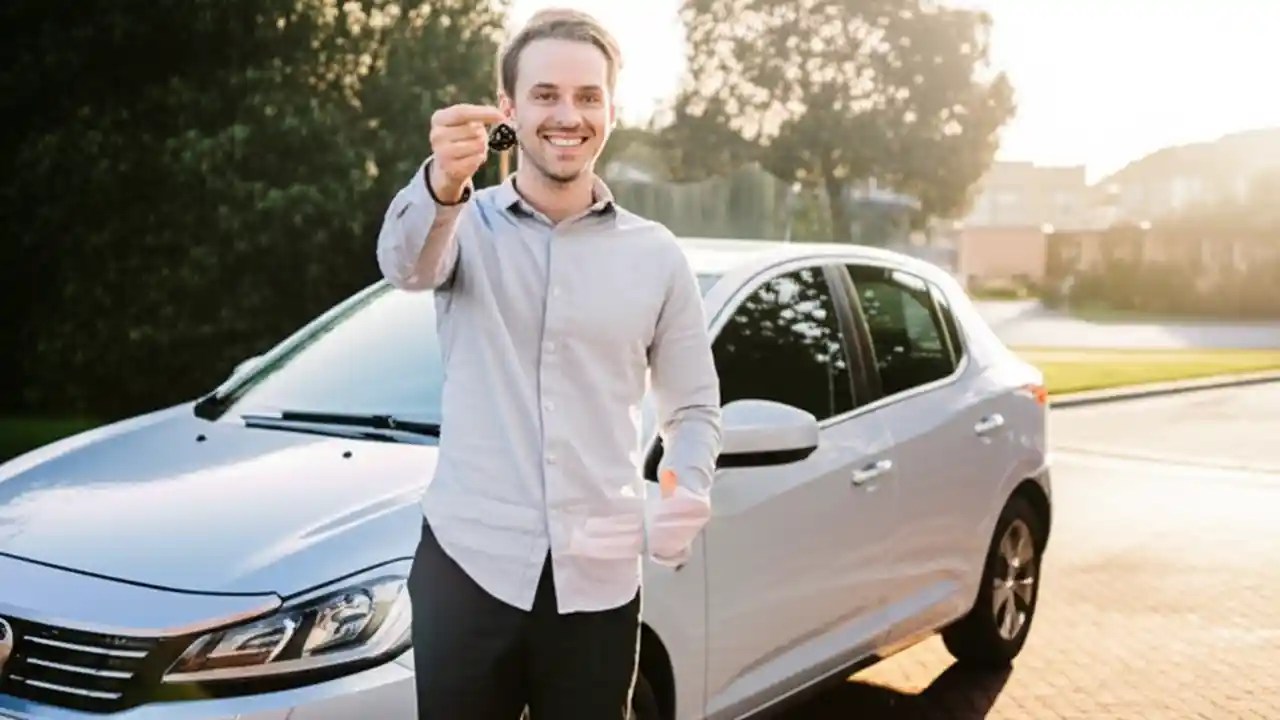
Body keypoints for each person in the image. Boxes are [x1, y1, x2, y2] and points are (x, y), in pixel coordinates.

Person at [375, 7, 722, 718]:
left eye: (588, 96)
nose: (569, 115)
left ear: (611, 110)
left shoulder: (656, 255)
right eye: (545, 95)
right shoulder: (461, 223)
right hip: (467, 571)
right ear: (508, 109)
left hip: (598, 581)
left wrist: (685, 486)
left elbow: (692, 409)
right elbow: (405, 267)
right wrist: (441, 182)